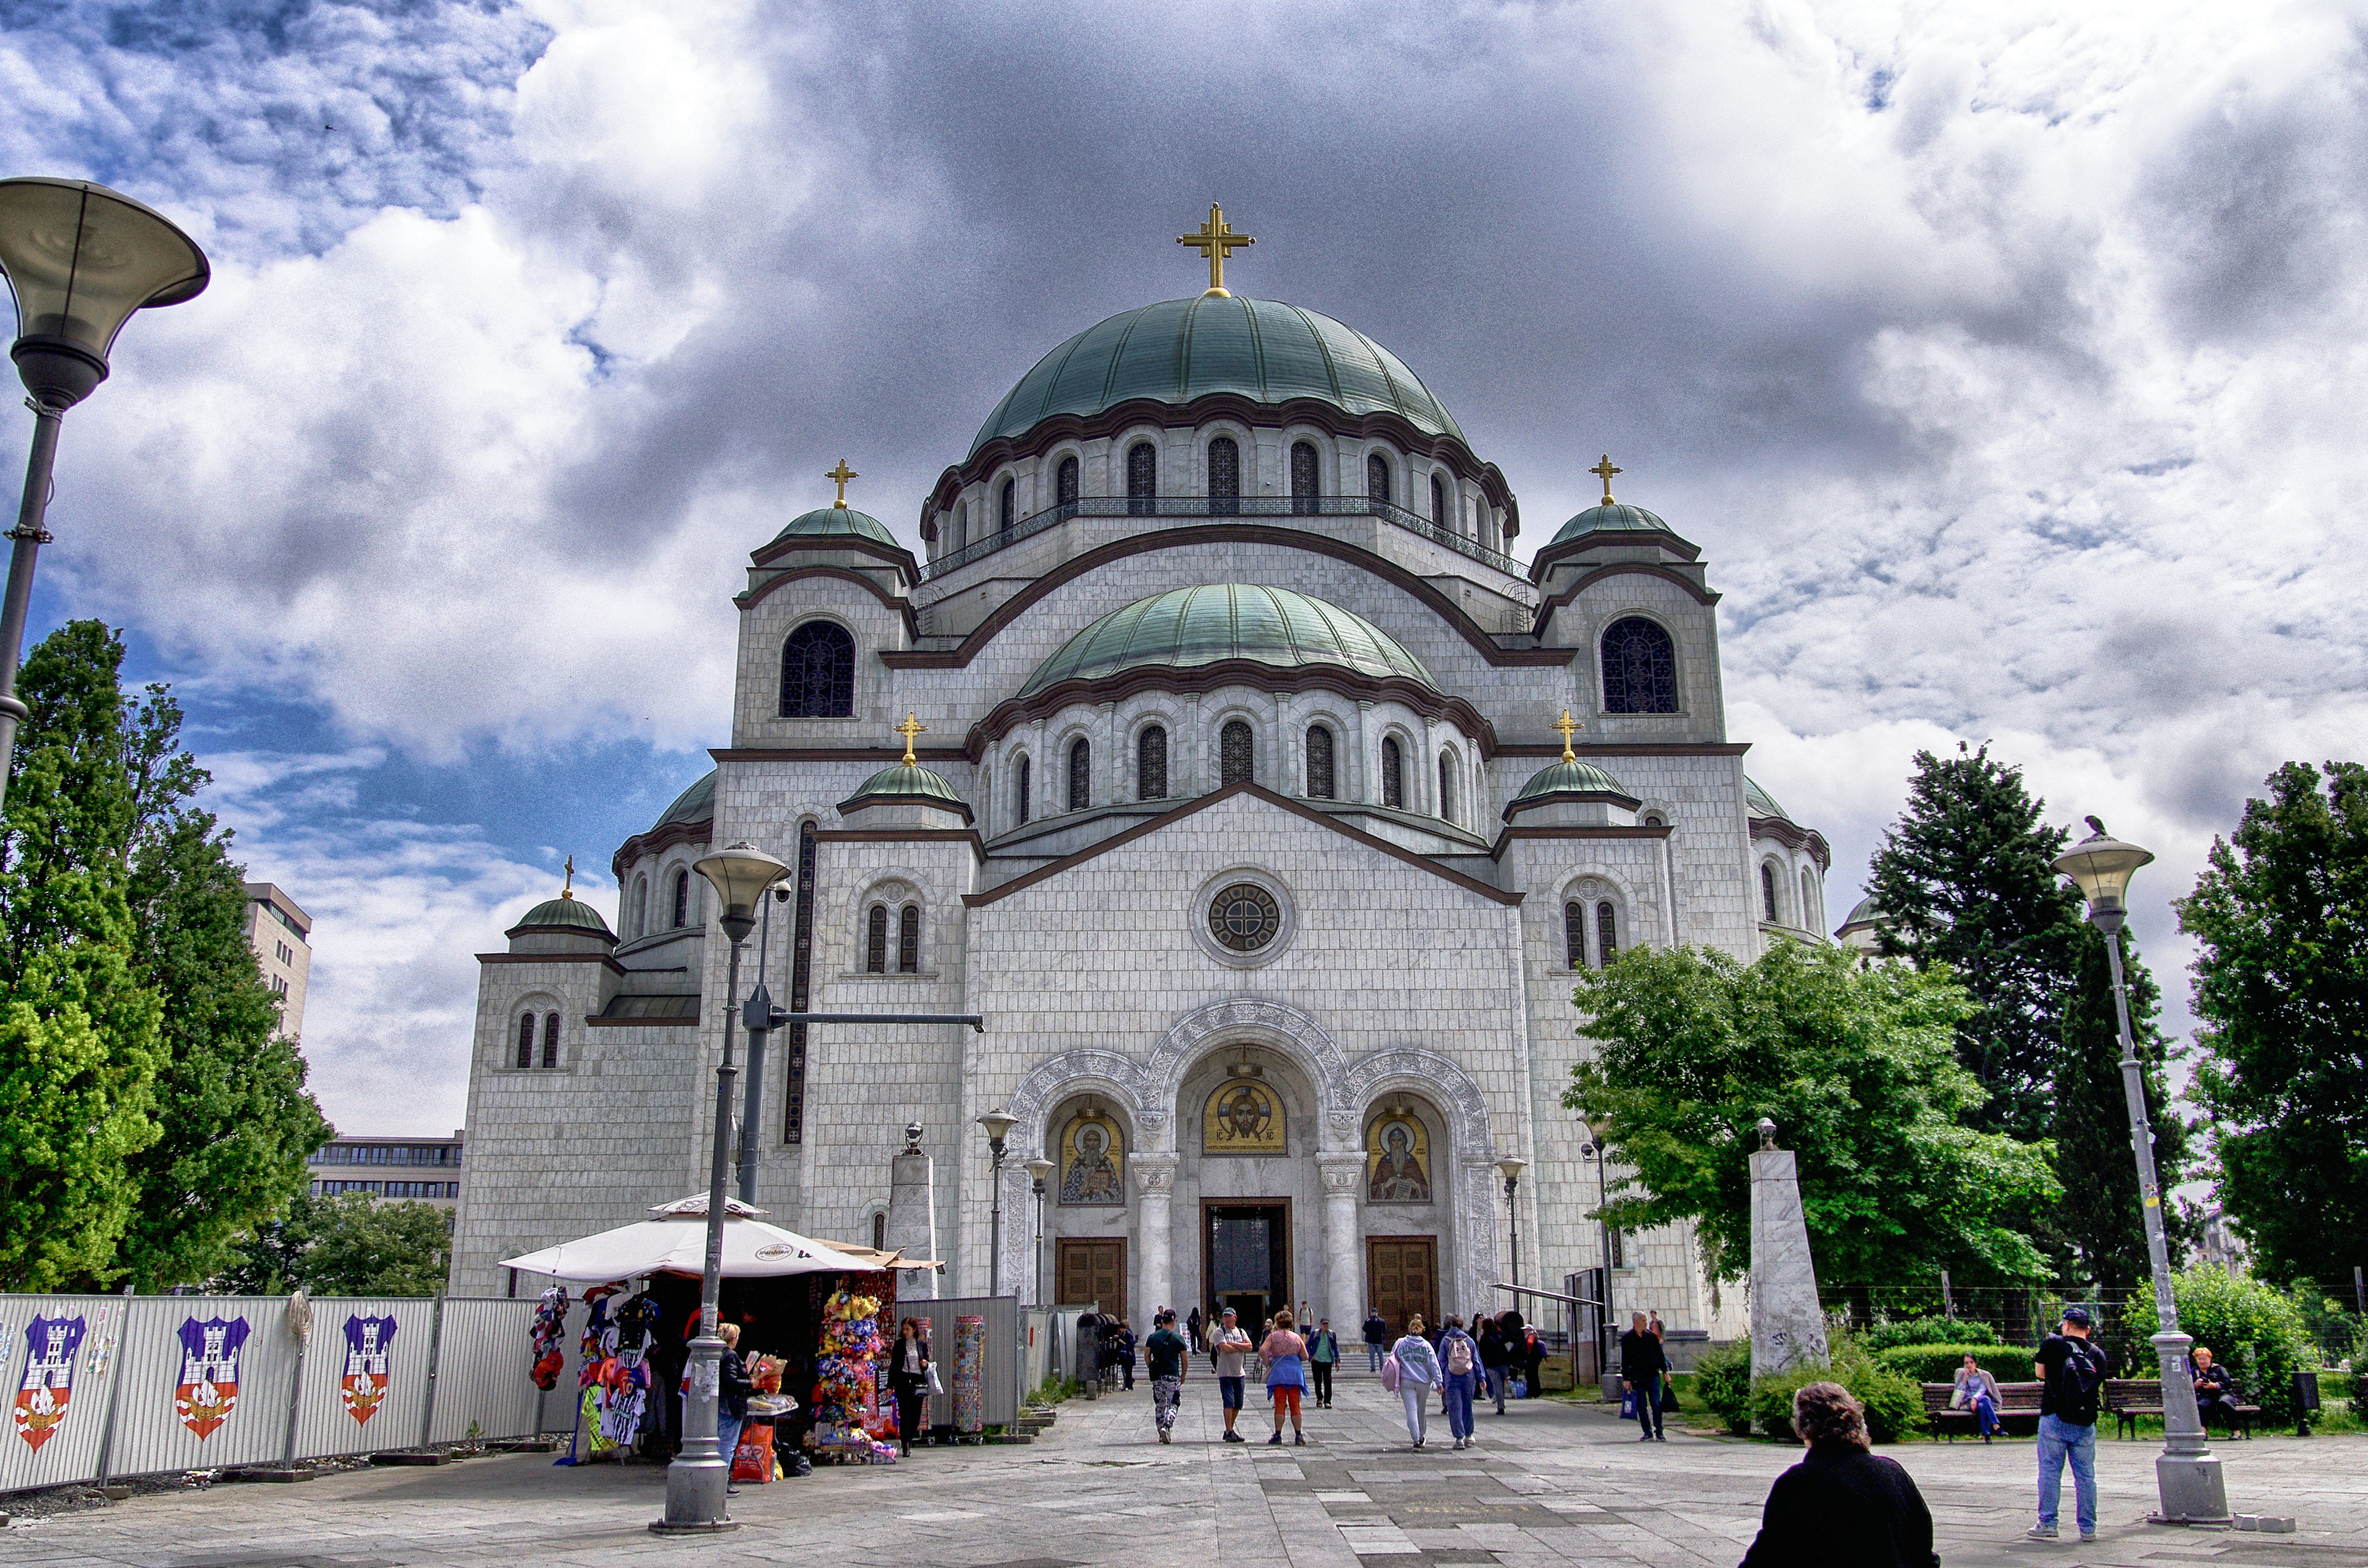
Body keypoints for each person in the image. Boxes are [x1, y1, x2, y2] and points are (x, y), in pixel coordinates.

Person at [1738, 1381, 1936, 1568]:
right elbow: (1923, 1550)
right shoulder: (1893, 1473)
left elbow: (1768, 1556)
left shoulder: (1798, 1483)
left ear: (1803, 1428)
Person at [2031, 1306, 2105, 1542]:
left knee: (2050, 1472)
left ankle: (2048, 1524)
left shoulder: (2053, 1345)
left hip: (2054, 1417)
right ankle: (2088, 1528)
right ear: (2089, 1330)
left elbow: (2040, 1373)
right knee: (2086, 1477)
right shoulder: (2097, 1354)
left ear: (2066, 1325)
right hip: (2085, 1421)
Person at [1391, 1314, 1441, 1450]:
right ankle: (1421, 1435)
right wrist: (1439, 1382)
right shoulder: (1427, 1345)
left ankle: (1416, 1439)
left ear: (1410, 1330)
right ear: (1422, 1330)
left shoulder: (1400, 1343)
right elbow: (1434, 1365)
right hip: (1424, 1382)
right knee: (1421, 1410)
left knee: (1411, 1411)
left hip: (1406, 1381)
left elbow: (1392, 1360)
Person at [1261, 1309, 1309, 1446]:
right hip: (1294, 1374)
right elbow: (1305, 1356)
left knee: (1280, 1405)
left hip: (1279, 1374)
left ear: (1277, 1323)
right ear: (1291, 1323)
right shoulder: (1296, 1337)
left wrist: (1269, 1362)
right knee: (1295, 1405)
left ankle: (1278, 1434)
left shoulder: (1273, 1337)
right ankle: (1298, 1435)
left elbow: (1263, 1351)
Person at [1619, 1311, 1669, 1442]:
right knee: (1642, 1406)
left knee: (1656, 1405)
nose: (1646, 1323)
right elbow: (1625, 1361)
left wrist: (1665, 1373)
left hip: (1653, 1375)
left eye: (1646, 1321)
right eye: (1643, 1321)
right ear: (1635, 1323)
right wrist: (1626, 1379)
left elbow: (1660, 1356)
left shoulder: (1652, 1337)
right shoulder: (1627, 1339)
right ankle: (1647, 1432)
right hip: (1637, 1377)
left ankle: (1659, 1432)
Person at [716, 1323, 753, 1493]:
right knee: (728, 1445)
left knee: (721, 1443)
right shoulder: (730, 1355)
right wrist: (751, 1383)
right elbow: (731, 1381)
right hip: (730, 1406)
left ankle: (718, 1479)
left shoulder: (720, 1354)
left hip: (721, 1404)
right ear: (734, 1338)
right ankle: (722, 1481)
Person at [1144, 1310, 1189, 1444]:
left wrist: (1151, 1367)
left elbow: (1147, 1356)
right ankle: (1167, 1426)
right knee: (1174, 1403)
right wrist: (1184, 1374)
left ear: (1162, 1321)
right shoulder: (1178, 1339)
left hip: (1157, 1376)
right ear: (1174, 1322)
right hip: (1172, 1376)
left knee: (1160, 1404)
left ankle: (1160, 1432)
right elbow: (1185, 1359)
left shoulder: (1152, 1337)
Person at [888, 1317, 931, 1458]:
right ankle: (905, 1443)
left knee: (916, 1414)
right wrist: (890, 1385)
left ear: (914, 1330)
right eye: (903, 1329)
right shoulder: (899, 1345)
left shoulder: (921, 1344)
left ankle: (910, 1437)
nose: (905, 1332)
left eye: (908, 1329)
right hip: (903, 1381)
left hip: (918, 1381)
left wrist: (925, 1364)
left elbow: (927, 1361)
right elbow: (894, 1366)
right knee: (905, 1413)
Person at [1438, 1315, 1481, 1451]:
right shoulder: (1469, 1341)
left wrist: (1441, 1380)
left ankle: (1459, 1438)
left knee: (1455, 1408)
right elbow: (1476, 1360)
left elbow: (1442, 1362)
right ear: (1463, 1326)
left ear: (1451, 1326)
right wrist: (1482, 1378)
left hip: (1452, 1377)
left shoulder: (1446, 1341)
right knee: (1468, 1405)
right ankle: (1469, 1435)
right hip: (1469, 1377)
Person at [1212, 1308, 1254, 1443]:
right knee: (1229, 1402)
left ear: (1235, 1318)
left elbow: (1250, 1347)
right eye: (1225, 1317)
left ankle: (1230, 1429)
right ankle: (1229, 1430)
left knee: (1238, 1403)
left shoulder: (1241, 1332)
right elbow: (1225, 1348)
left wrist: (1234, 1344)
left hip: (1239, 1372)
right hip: (1225, 1372)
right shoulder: (1219, 1332)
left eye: (1230, 1317)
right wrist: (1240, 1346)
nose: (1227, 1320)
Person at [1952, 1353, 2002, 1443]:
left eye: (1971, 1362)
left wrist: (1975, 1399)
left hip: (1980, 1401)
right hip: (1968, 1403)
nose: (1969, 1365)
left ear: (1975, 1363)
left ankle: (1987, 1434)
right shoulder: (1961, 1374)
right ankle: (1996, 1427)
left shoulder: (1983, 1375)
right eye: (1966, 1363)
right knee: (1985, 1402)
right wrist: (1965, 1379)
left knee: (1984, 1402)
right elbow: (1959, 1392)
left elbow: (1983, 1389)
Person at [2191, 1346, 2237, 1433]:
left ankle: (2235, 1431)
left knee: (2224, 1403)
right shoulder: (2194, 1371)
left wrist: (2216, 1385)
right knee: (2201, 1405)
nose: (2202, 1362)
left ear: (2210, 1359)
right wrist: (2196, 1385)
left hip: (2223, 1394)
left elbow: (2228, 1383)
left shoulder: (2218, 1369)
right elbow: (2188, 1388)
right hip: (2206, 1396)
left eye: (2204, 1359)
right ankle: (2203, 1431)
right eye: (2199, 1359)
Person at [1478, 1317, 1510, 1415]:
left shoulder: (1484, 1338)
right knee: (1501, 1384)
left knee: (1497, 1385)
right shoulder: (1501, 1334)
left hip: (1491, 1365)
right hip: (1504, 1363)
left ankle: (1501, 1406)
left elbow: (1482, 1352)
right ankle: (1500, 1401)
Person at [1307, 1318, 1340, 1409]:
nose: (1325, 1327)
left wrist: (1338, 1361)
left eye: (1327, 1325)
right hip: (1317, 1360)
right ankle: (1320, 1399)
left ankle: (1328, 1401)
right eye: (1324, 1325)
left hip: (1328, 1360)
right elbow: (1308, 1345)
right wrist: (1311, 1357)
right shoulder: (1315, 1334)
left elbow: (1335, 1348)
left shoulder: (1332, 1335)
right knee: (1318, 1381)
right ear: (1320, 1325)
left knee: (1328, 1381)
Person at [1363, 1308, 1390, 1372]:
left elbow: (1364, 1329)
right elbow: (1385, 1330)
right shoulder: (1382, 1321)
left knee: (1372, 1356)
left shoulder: (1368, 1321)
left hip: (1371, 1341)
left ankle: (1373, 1368)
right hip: (1380, 1341)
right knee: (1381, 1355)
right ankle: (1382, 1368)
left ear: (1372, 1313)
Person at [1117, 1320, 1137, 1391]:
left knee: (1127, 1372)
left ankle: (1128, 1385)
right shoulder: (1126, 1333)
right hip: (1127, 1357)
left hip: (1128, 1357)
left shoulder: (1128, 1334)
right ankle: (1129, 1385)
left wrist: (1123, 1343)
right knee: (1127, 1371)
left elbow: (1131, 1345)